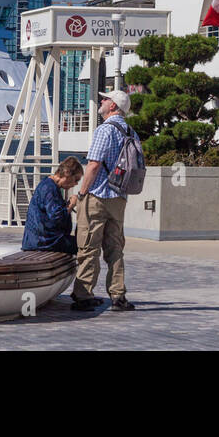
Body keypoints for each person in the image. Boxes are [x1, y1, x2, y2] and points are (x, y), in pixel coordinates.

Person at [70, 90, 136, 311]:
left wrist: (82, 193)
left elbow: (94, 165)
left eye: (106, 99)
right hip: (119, 197)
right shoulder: (131, 132)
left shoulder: (104, 130)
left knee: (88, 247)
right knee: (115, 248)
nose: (102, 101)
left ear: (113, 106)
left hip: (97, 196)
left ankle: (83, 295)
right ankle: (118, 295)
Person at [23, 157, 84, 255]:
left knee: (79, 243)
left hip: (39, 240)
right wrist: (71, 204)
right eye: (76, 179)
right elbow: (57, 217)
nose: (76, 184)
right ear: (67, 174)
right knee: (83, 246)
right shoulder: (49, 188)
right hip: (44, 242)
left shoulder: (48, 185)